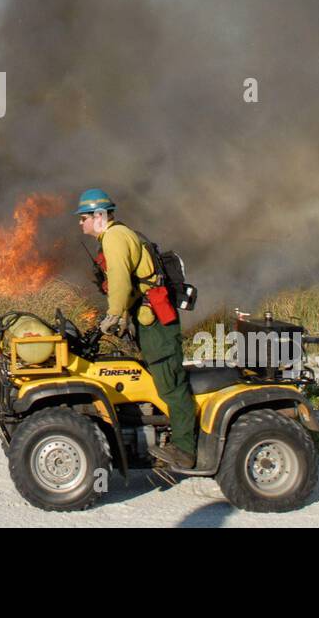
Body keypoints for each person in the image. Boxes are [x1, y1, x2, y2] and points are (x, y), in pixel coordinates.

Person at [75, 188, 197, 469]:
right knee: (156, 379)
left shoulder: (115, 238)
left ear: (99, 216)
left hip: (156, 324)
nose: (80, 223)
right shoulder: (117, 236)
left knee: (171, 383)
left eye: (83, 218)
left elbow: (120, 280)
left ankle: (186, 450)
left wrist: (115, 314)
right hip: (147, 320)